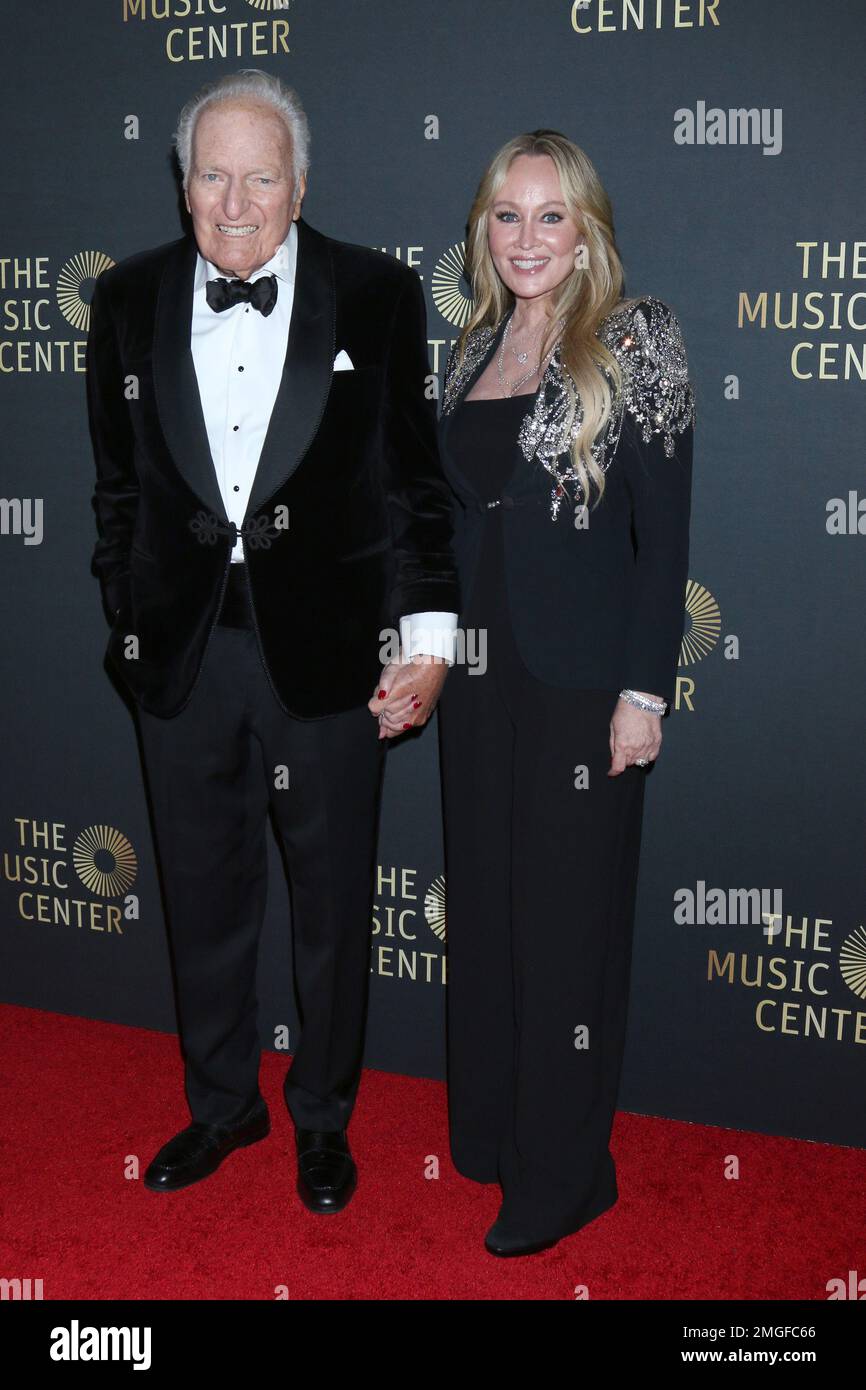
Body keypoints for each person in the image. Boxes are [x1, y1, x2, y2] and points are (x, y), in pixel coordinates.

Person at [85, 69, 458, 1213]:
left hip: (331, 657)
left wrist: (429, 637)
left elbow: (414, 487)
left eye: (259, 177)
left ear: (299, 186)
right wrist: (130, 615)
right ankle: (220, 1107)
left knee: (334, 904)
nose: (233, 202)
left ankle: (321, 1122)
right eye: (211, 175)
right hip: (183, 656)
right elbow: (115, 493)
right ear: (181, 183)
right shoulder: (126, 300)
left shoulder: (379, 295)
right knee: (200, 895)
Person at [435, 130, 695, 1256]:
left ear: (585, 229)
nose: (526, 237)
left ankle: (568, 1174)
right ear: (481, 231)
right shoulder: (467, 350)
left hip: (583, 684)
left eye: (550, 215)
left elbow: (662, 536)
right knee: (489, 909)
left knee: (566, 927)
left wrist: (644, 692)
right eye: (505, 214)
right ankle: (495, 1134)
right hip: (478, 679)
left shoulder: (636, 340)